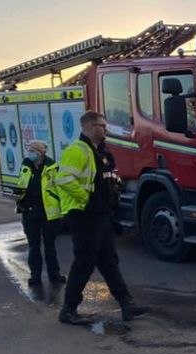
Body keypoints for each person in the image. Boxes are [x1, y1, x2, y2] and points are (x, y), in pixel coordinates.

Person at [54, 112, 148, 325]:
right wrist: (85, 198)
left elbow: (108, 180)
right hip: (83, 216)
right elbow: (64, 179)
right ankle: (68, 310)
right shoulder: (77, 151)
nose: (105, 129)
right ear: (88, 127)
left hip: (101, 216)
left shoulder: (101, 153)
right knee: (84, 263)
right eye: (101, 126)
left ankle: (127, 304)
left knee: (108, 261)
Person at [15, 140, 65, 286]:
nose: (29, 153)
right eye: (28, 150)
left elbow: (59, 189)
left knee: (50, 246)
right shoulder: (26, 166)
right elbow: (22, 185)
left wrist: (63, 209)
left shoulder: (52, 167)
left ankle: (54, 275)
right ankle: (35, 276)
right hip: (30, 211)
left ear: (40, 152)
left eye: (32, 150)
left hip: (48, 212)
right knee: (33, 246)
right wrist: (19, 197)